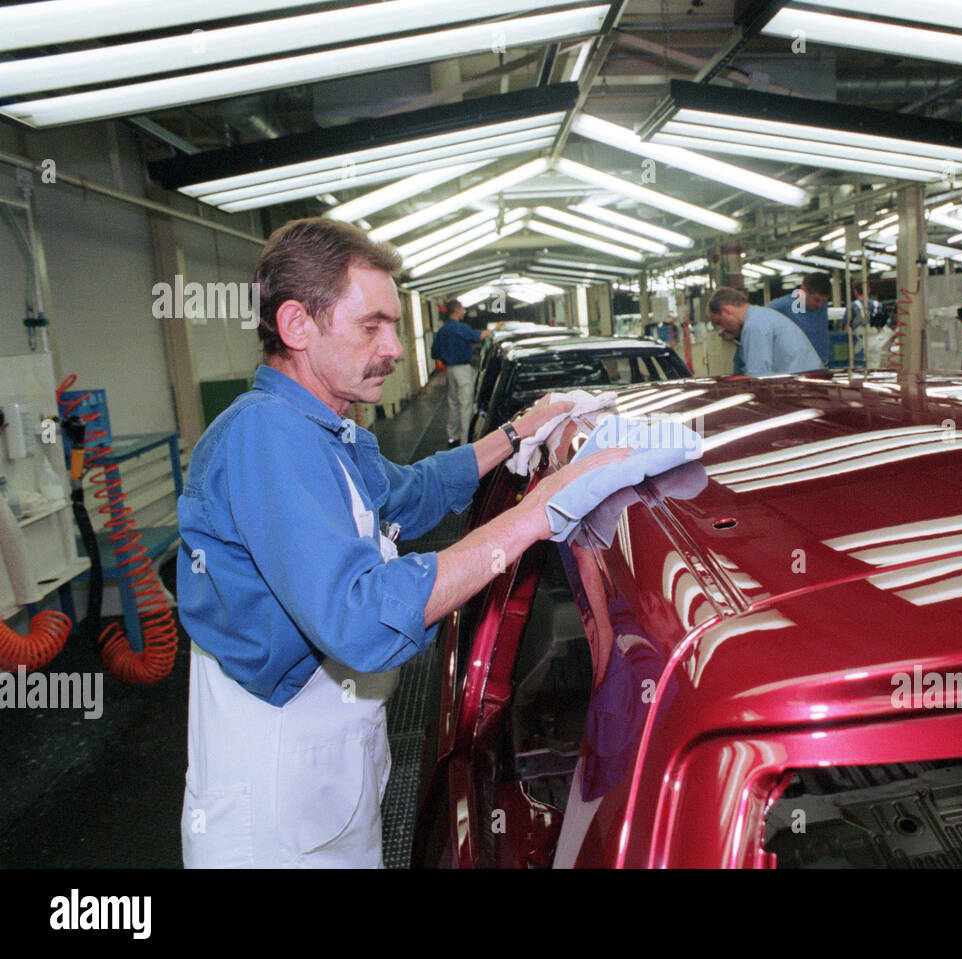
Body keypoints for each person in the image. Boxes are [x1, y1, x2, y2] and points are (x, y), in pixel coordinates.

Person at [176, 217, 628, 868]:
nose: (393, 347)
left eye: (393, 324)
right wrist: (534, 515)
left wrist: (517, 433)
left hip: (326, 775)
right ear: (297, 324)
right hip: (272, 808)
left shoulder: (322, 431)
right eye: (372, 326)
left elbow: (412, 492)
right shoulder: (265, 439)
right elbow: (362, 618)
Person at [708, 287, 823, 376]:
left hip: (804, 386)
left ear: (726, 311)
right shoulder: (762, 315)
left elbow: (758, 376)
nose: (723, 328)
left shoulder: (753, 325)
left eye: (720, 322)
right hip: (811, 379)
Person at [431, 299, 483, 447]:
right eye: (462, 309)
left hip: (450, 371)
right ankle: (465, 441)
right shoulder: (460, 328)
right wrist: (495, 329)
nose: (463, 312)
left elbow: (434, 353)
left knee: (453, 404)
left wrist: (448, 355)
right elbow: (477, 336)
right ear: (456, 310)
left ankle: (453, 437)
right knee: (466, 405)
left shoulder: (443, 330)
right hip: (463, 370)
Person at [766, 272, 833, 365]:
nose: (820, 305)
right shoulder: (780, 306)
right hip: (795, 368)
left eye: (824, 300)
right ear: (803, 290)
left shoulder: (822, 305)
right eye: (816, 300)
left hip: (822, 365)